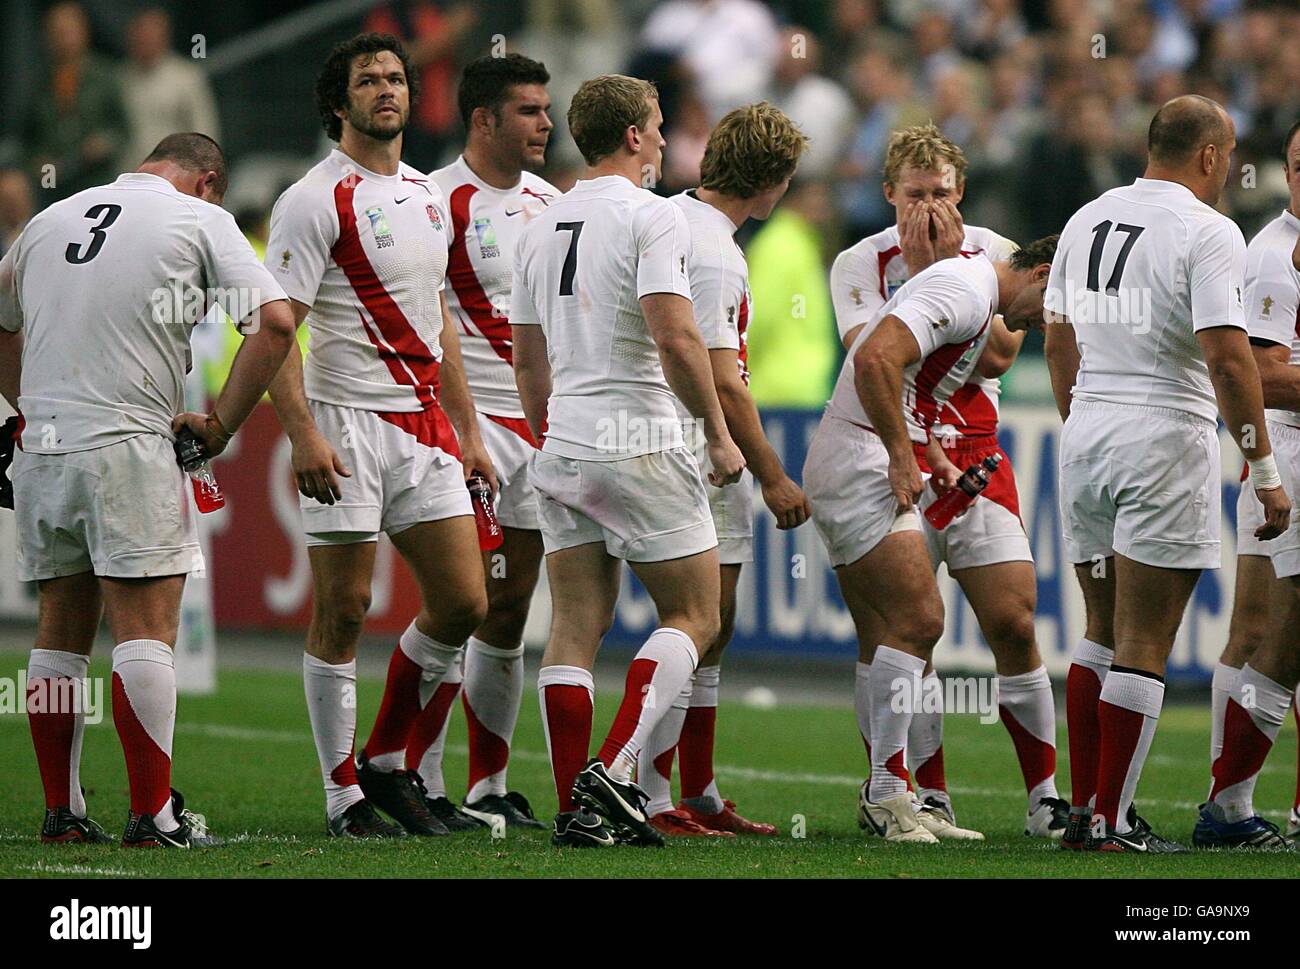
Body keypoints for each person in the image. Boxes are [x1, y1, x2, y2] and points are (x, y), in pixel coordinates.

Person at [0, 132, 295, 846]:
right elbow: (277, 323)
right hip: (130, 440)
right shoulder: (202, 219)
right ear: (208, 182)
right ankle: (152, 814)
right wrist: (222, 423)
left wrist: (28, 409)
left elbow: (0, 324)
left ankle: (62, 811)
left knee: (59, 631)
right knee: (146, 625)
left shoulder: (52, 218)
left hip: (44, 448)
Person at [1043, 95, 1291, 853]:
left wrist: (1082, 418)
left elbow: (1056, 337)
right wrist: (1264, 466)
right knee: (1145, 639)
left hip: (1086, 429)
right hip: (1162, 432)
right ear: (1212, 156)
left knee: (1098, 629)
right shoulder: (1208, 229)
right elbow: (1227, 357)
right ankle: (1113, 823)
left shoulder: (1088, 217)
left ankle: (1087, 810)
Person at [264, 33, 495, 839]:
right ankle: (342, 799)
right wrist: (300, 434)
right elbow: (273, 328)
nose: (387, 90)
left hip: (425, 424)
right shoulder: (312, 198)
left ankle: (387, 761)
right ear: (340, 101)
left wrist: (468, 430)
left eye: (397, 77)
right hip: (345, 423)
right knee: (345, 608)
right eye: (370, 80)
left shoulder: (429, 195)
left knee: (465, 599)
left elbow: (441, 321)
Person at [511, 73, 745, 847]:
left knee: (575, 624)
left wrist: (553, 430)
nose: (666, 135)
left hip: (566, 441)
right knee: (697, 613)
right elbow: (676, 337)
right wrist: (715, 430)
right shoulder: (653, 216)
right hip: (638, 436)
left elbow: (527, 357)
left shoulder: (540, 221)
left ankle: (576, 807)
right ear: (638, 136)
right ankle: (613, 772)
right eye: (659, 122)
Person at [830, 123, 1069, 840]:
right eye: (914, 194)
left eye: (940, 193)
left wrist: (944, 266)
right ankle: (918, 794)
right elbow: (874, 361)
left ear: (960, 192)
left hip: (972, 447)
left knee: (1013, 618)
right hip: (896, 446)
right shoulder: (856, 263)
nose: (929, 207)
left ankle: (1044, 797)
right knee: (901, 631)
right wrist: (918, 273)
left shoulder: (995, 254)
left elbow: (998, 356)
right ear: (887, 194)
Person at [637, 102, 811, 838]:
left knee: (717, 623)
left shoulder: (685, 222)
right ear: (770, 181)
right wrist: (772, 474)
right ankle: (648, 790)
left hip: (686, 444)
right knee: (697, 620)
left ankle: (697, 788)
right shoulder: (711, 247)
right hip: (696, 449)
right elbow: (722, 374)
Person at [416, 52, 558, 832]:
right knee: (463, 604)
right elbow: (426, 321)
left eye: (545, 108)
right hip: (474, 433)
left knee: (510, 610)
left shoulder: (550, 203)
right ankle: (422, 777)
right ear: (483, 119)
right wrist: (460, 426)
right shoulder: (437, 202)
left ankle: (489, 784)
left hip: (541, 431)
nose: (546, 122)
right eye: (530, 110)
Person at [1196, 118, 1300, 851]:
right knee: (1275, 642)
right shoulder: (1274, 256)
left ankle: (1231, 804)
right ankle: (1227, 805)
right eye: (1298, 163)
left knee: (1264, 636)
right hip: (1290, 456)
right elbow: (1260, 374)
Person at [21, 2, 130, 203]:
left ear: (83, 32)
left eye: (67, 32)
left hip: (97, 178)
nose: (62, 39)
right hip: (53, 183)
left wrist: (103, 143)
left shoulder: (105, 74)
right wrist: (37, 160)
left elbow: (123, 127)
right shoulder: (39, 80)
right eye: (55, 32)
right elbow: (26, 136)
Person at [121, 7, 221, 169]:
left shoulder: (186, 76)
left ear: (164, 36)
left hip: (173, 174)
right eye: (140, 34)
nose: (144, 39)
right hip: (128, 173)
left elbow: (204, 131)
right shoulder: (119, 78)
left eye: (150, 34)